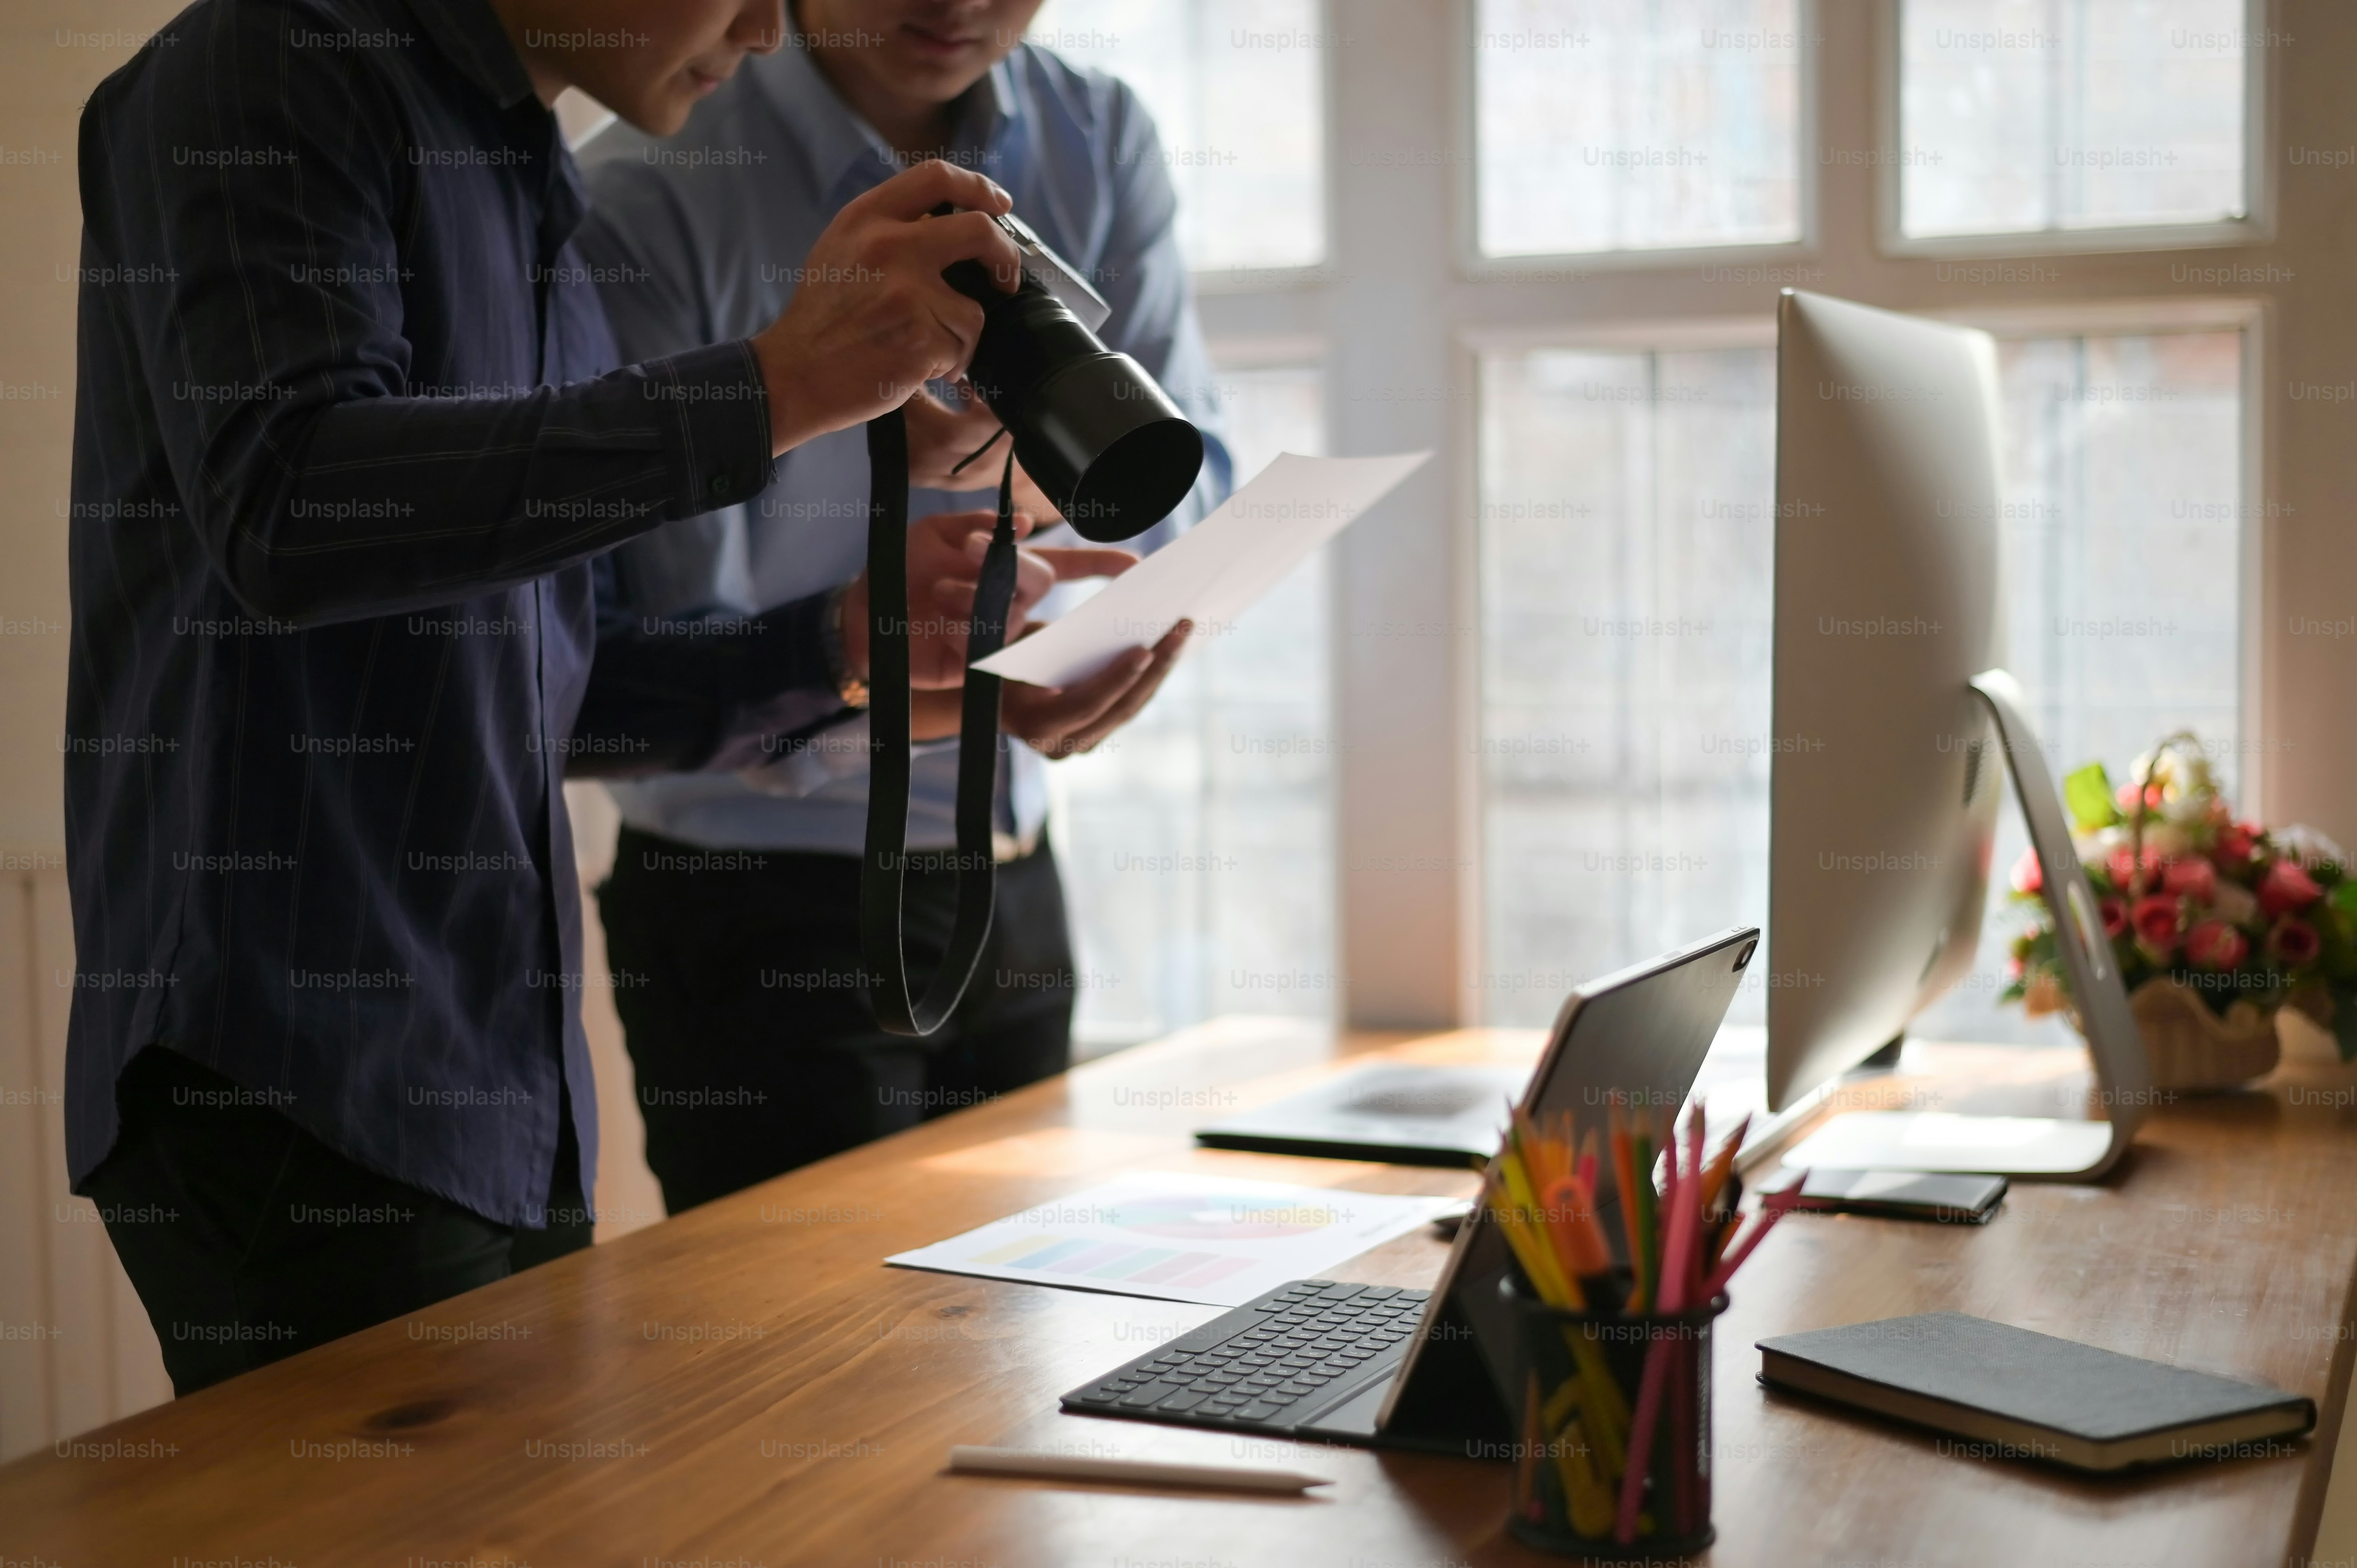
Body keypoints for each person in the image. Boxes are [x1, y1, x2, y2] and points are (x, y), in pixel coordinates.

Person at [65, 0, 1098, 1394]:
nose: (771, 23)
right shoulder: (267, 60)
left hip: (497, 1059)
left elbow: (565, 683)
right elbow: (292, 500)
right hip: (298, 1053)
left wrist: (844, 648)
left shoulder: (523, 166)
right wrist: (776, 385)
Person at [571, 0, 1231, 1212]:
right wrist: (878, 649)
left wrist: (1046, 504)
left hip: (1011, 871)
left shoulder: (1094, 134)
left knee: (1007, 1352)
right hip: (754, 905)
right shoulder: (644, 192)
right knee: (801, 1379)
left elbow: (1195, 471)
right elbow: (617, 660)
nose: (960, 2)